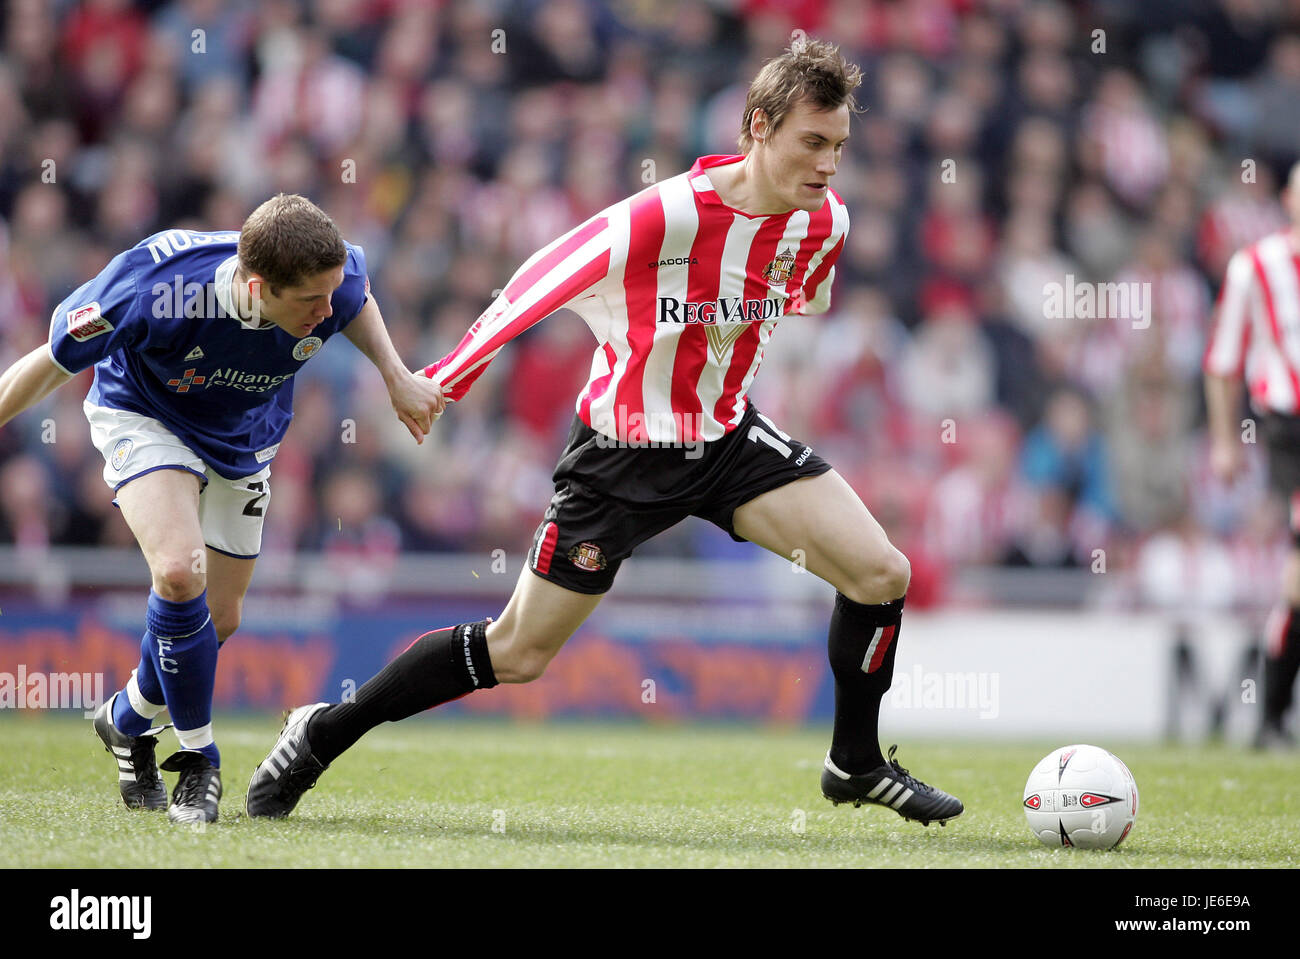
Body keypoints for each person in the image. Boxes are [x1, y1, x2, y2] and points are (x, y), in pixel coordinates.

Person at [248, 40, 963, 825]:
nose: (829, 165)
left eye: (839, 147)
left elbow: (808, 296)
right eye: (813, 143)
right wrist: (444, 377)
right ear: (758, 127)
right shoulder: (669, 214)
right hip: (620, 459)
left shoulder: (823, 222)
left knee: (879, 573)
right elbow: (540, 277)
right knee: (516, 652)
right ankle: (320, 731)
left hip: (726, 443)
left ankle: (853, 763)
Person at [0, 194, 444, 823]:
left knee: (218, 620)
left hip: (244, 438)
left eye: (331, 295)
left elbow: (357, 301)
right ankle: (198, 762)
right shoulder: (151, 288)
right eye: (310, 303)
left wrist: (397, 376)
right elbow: (48, 365)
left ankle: (126, 721)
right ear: (257, 286)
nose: (327, 314)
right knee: (180, 572)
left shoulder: (331, 280)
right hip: (145, 416)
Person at [1204, 159, 1300, 750]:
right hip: (1289, 427)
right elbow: (1222, 361)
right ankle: (1269, 712)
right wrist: (1222, 441)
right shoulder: (1255, 266)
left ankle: (1271, 715)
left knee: (1295, 586)